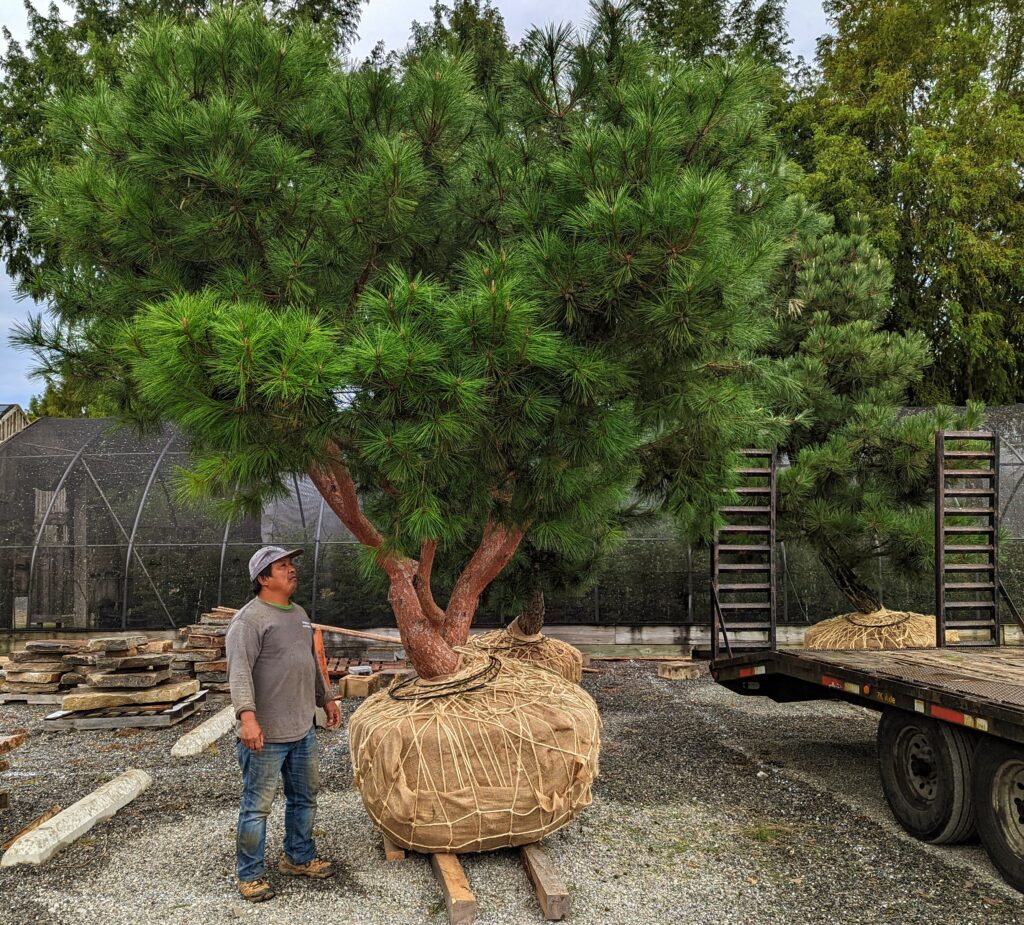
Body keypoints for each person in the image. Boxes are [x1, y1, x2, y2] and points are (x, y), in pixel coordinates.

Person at [225, 545, 342, 903]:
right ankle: (250, 875)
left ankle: (298, 857)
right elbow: (239, 671)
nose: (291, 570)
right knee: (257, 807)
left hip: (302, 728)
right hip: (266, 734)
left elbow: (309, 661)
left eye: (291, 564)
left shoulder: (299, 614)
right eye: (282, 566)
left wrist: (326, 698)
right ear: (263, 578)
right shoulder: (249, 621)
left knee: (304, 799)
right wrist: (247, 718)